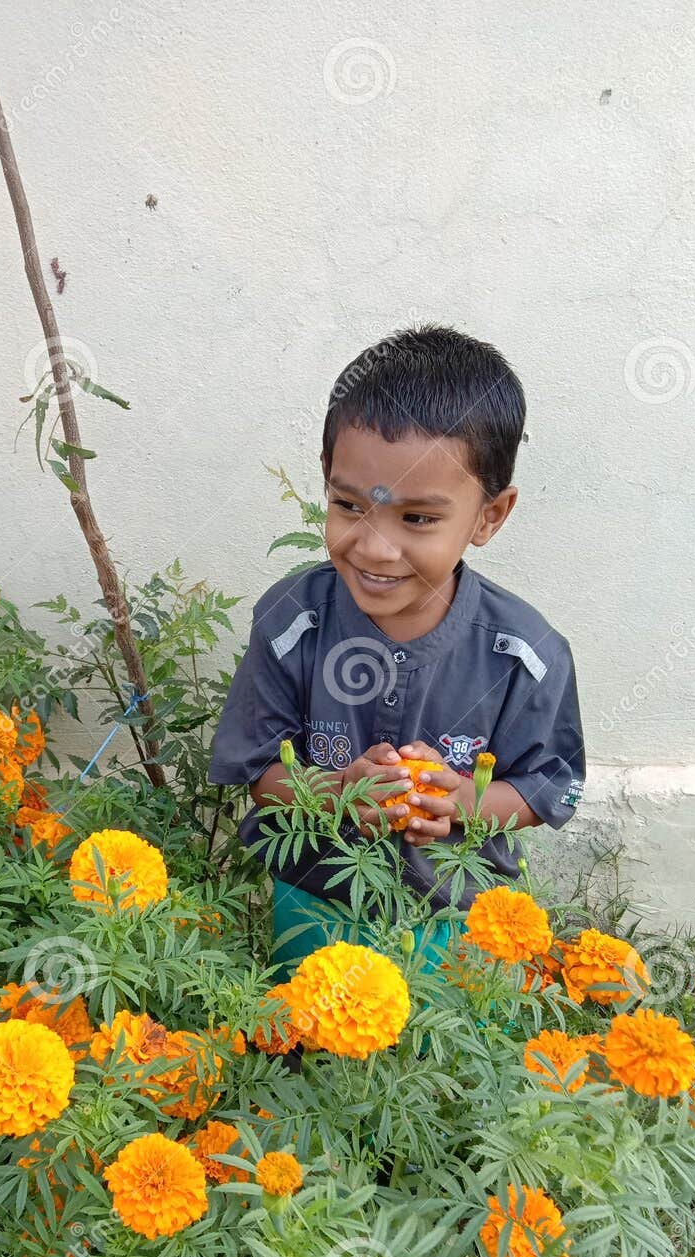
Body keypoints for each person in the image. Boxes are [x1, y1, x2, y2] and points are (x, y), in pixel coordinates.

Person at [209, 323, 585, 980]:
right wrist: (332, 795)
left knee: (429, 1070)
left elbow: (550, 786)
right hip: (313, 899)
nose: (375, 547)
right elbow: (258, 769)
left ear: (489, 516)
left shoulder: (522, 654)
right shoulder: (292, 622)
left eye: (416, 519)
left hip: (452, 913)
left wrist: (465, 801)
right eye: (349, 505)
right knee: (307, 1043)